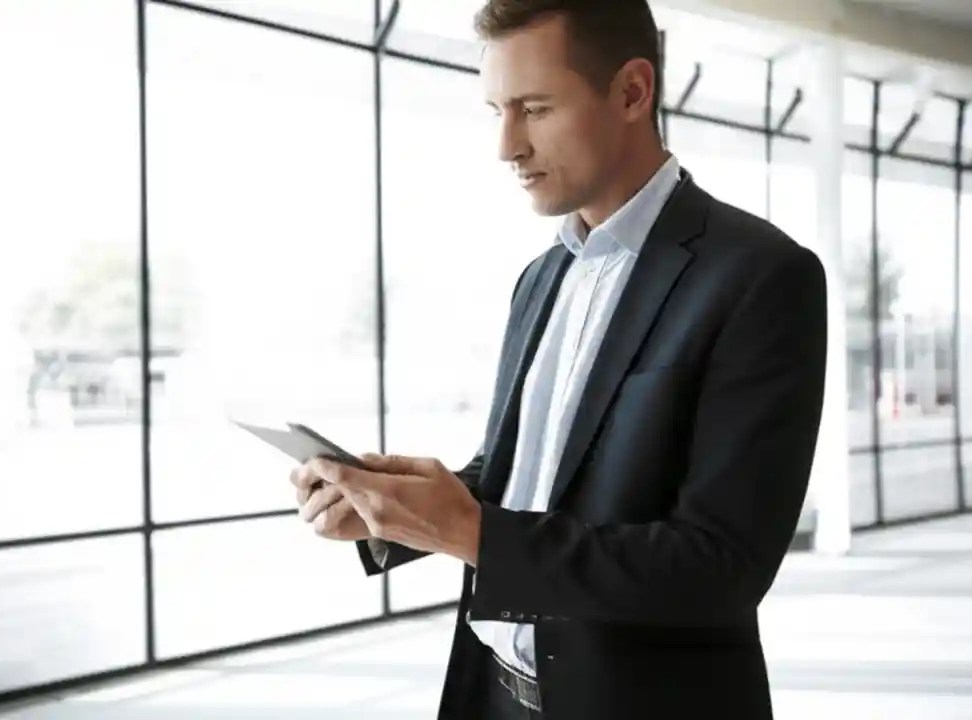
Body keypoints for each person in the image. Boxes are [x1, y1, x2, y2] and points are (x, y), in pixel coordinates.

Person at [289, 0, 827, 717]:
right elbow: (518, 479)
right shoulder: (542, 278)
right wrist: (395, 510)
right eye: (496, 110)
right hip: (496, 695)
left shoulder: (760, 276)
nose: (505, 144)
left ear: (633, 92)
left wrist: (470, 531)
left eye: (535, 108)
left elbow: (718, 568)